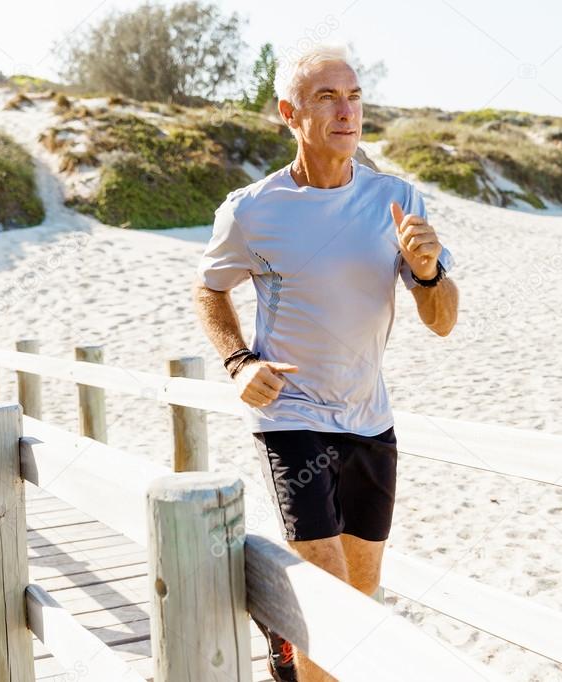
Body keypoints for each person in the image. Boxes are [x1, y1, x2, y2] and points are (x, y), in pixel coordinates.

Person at [192, 43, 459, 681]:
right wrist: (237, 361)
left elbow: (442, 321)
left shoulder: (396, 199)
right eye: (326, 97)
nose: (347, 111)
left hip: (372, 420)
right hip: (292, 418)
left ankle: (286, 646)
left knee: (360, 603)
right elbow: (210, 288)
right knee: (332, 596)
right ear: (291, 113)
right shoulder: (252, 209)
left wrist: (426, 273)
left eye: (354, 96)